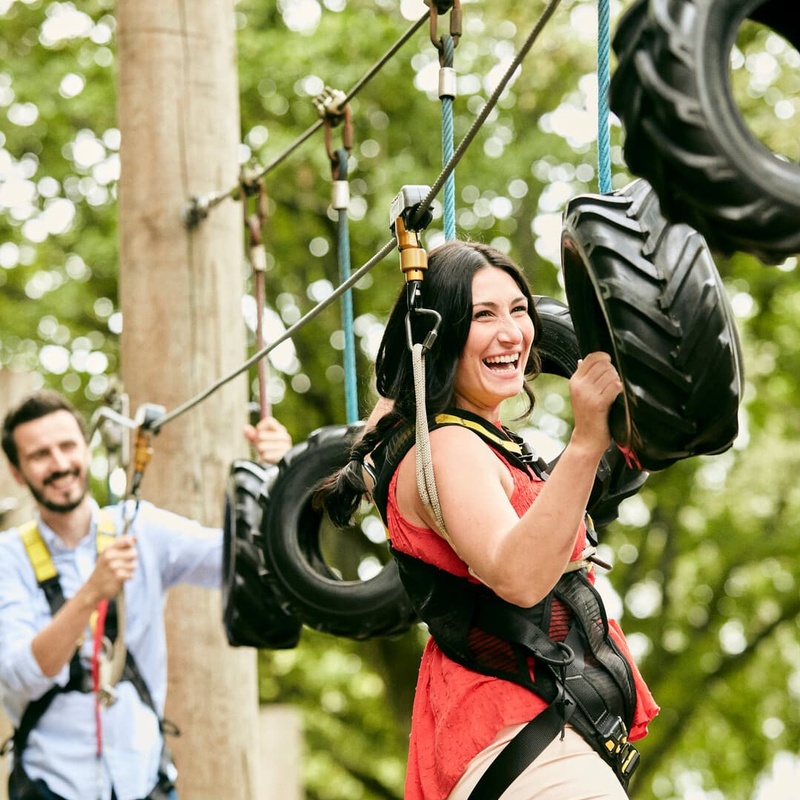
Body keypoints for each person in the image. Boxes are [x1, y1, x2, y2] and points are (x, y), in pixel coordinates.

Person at [316, 240, 659, 800]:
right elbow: (518, 578)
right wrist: (586, 440)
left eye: (519, 310)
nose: (512, 333)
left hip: (534, 738)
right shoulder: (448, 446)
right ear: (440, 335)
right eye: (483, 315)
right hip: (523, 737)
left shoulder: (470, 440)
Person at [0, 390, 292, 800]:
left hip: (144, 782)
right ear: (17, 471)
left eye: (67, 446)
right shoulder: (7, 559)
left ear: (86, 448)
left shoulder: (138, 527)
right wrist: (90, 594)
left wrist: (280, 476)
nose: (60, 464)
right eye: (40, 455)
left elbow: (243, 558)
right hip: (52, 785)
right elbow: (20, 676)